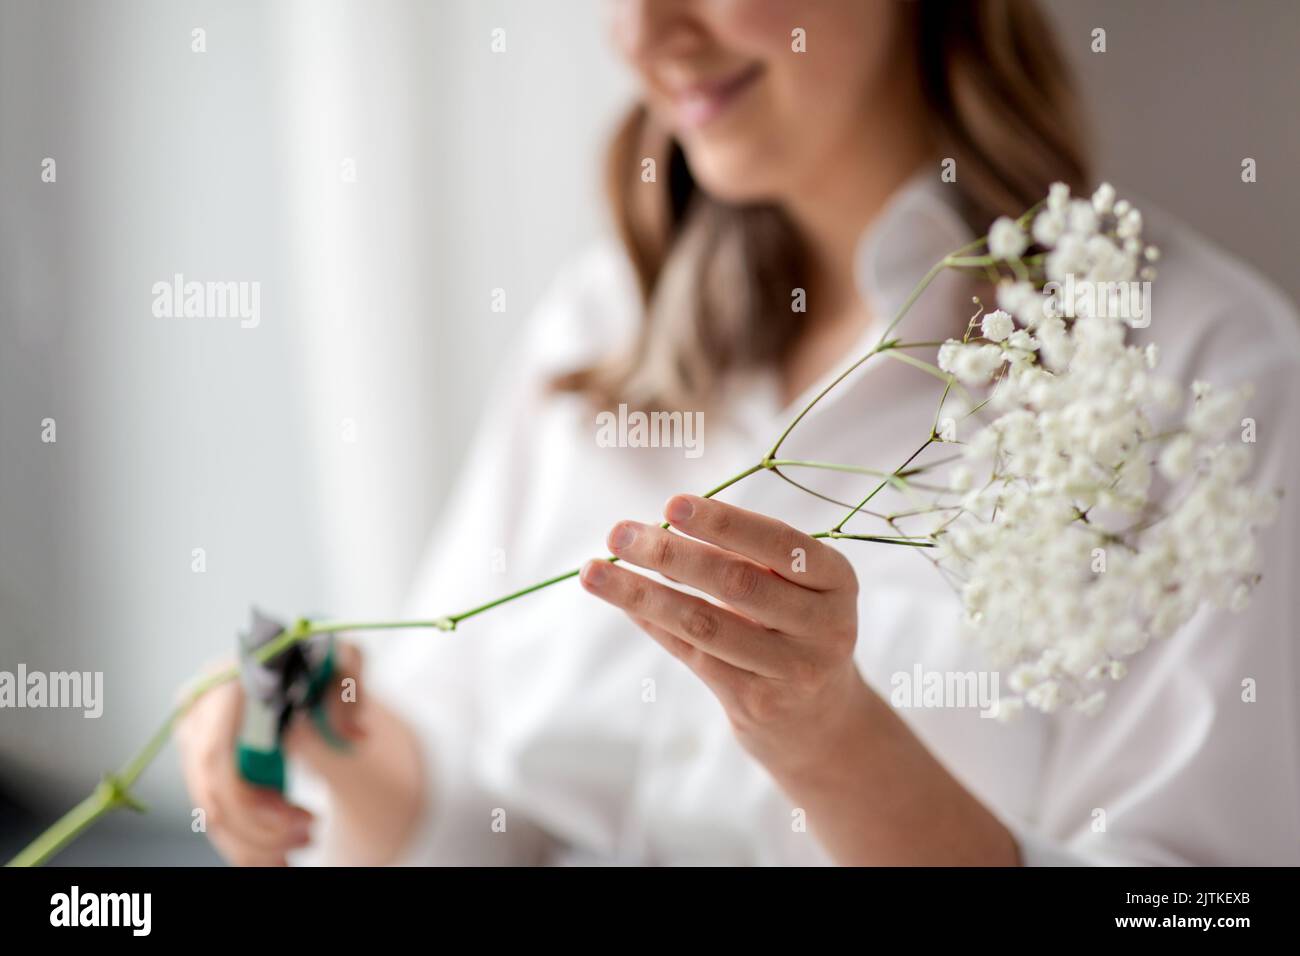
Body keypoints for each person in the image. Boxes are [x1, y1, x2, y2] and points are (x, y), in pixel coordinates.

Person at [177, 0, 1300, 866]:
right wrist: (320, 725)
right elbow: (477, 809)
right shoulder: (600, 327)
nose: (640, 33)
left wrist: (829, 741)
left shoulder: (1205, 383)